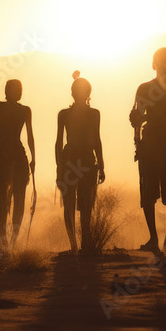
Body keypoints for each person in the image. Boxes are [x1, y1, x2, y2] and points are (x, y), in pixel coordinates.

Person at [130, 47, 166, 253]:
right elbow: (136, 119)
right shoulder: (147, 89)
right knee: (151, 192)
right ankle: (157, 238)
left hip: (165, 145)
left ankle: (164, 238)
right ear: (155, 65)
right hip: (159, 145)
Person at [55, 71, 106, 253]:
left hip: (84, 160)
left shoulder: (94, 114)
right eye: (77, 91)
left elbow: (97, 139)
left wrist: (101, 163)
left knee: (85, 205)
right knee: (71, 204)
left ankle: (83, 243)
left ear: (87, 94)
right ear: (73, 93)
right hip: (73, 160)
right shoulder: (64, 114)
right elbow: (58, 141)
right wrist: (58, 166)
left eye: (82, 91)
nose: (79, 94)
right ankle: (74, 245)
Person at [0, 79, 35, 249]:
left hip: (2, 156)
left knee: (3, 199)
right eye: (18, 89)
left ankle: (6, 239)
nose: (19, 92)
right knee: (16, 199)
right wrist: (33, 158)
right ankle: (9, 240)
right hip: (15, 156)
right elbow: (30, 138)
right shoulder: (24, 110)